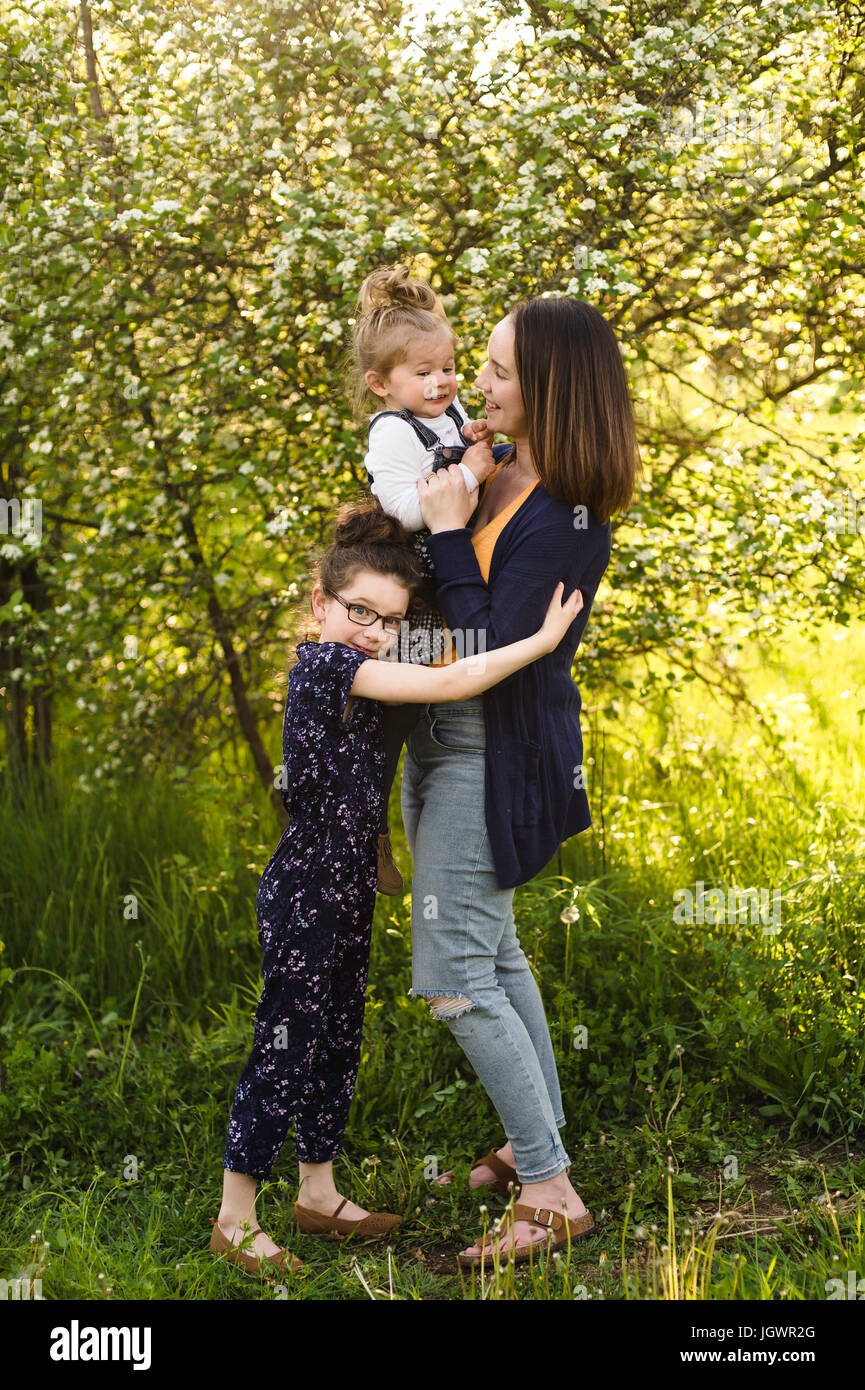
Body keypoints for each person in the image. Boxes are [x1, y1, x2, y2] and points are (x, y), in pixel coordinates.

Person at [209, 498, 583, 1279]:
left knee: (336, 1039)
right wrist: (542, 640)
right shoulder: (326, 665)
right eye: (357, 611)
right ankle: (236, 1215)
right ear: (319, 604)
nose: (372, 630)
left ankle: (317, 1191)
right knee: (285, 1042)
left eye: (389, 620)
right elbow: (457, 682)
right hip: (308, 889)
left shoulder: (370, 671)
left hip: (344, 888)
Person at [401, 293, 640, 1267]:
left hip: (495, 748)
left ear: (549, 388)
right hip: (441, 738)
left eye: (497, 371)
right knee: (492, 952)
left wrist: (451, 535)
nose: (475, 385)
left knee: (451, 976)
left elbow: (491, 645)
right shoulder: (492, 465)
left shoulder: (568, 513)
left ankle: (548, 1191)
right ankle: (528, 1139)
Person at [348, 264, 511, 895]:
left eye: (447, 366)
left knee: (414, 708)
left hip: (444, 583)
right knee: (395, 710)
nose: (442, 381)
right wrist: (470, 474)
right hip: (410, 592)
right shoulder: (391, 432)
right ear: (380, 384)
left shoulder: (448, 412)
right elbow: (408, 509)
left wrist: (477, 442)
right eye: (423, 373)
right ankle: (362, 828)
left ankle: (368, 821)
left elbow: (465, 456)